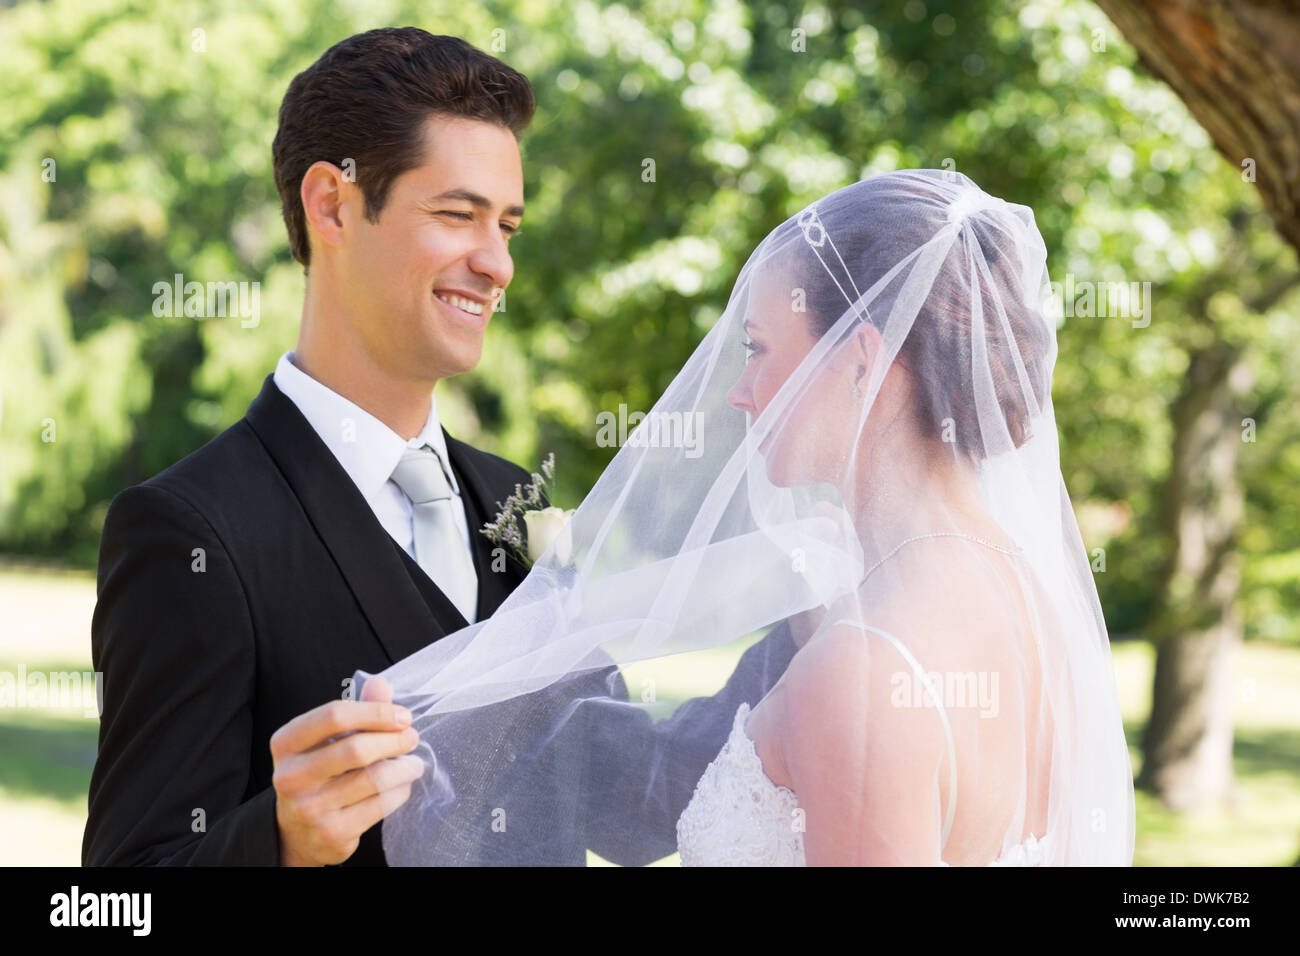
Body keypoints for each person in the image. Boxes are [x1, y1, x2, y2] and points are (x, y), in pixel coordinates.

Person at [83, 26, 794, 867]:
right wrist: (275, 839)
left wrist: (831, 614)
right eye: (458, 214)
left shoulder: (518, 502)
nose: (496, 264)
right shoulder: (190, 531)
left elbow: (637, 804)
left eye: (508, 226)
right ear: (333, 204)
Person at [363, 169, 1137, 866]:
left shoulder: (863, 668)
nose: (739, 390)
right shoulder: (1028, 599)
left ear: (864, 359)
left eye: (760, 349)